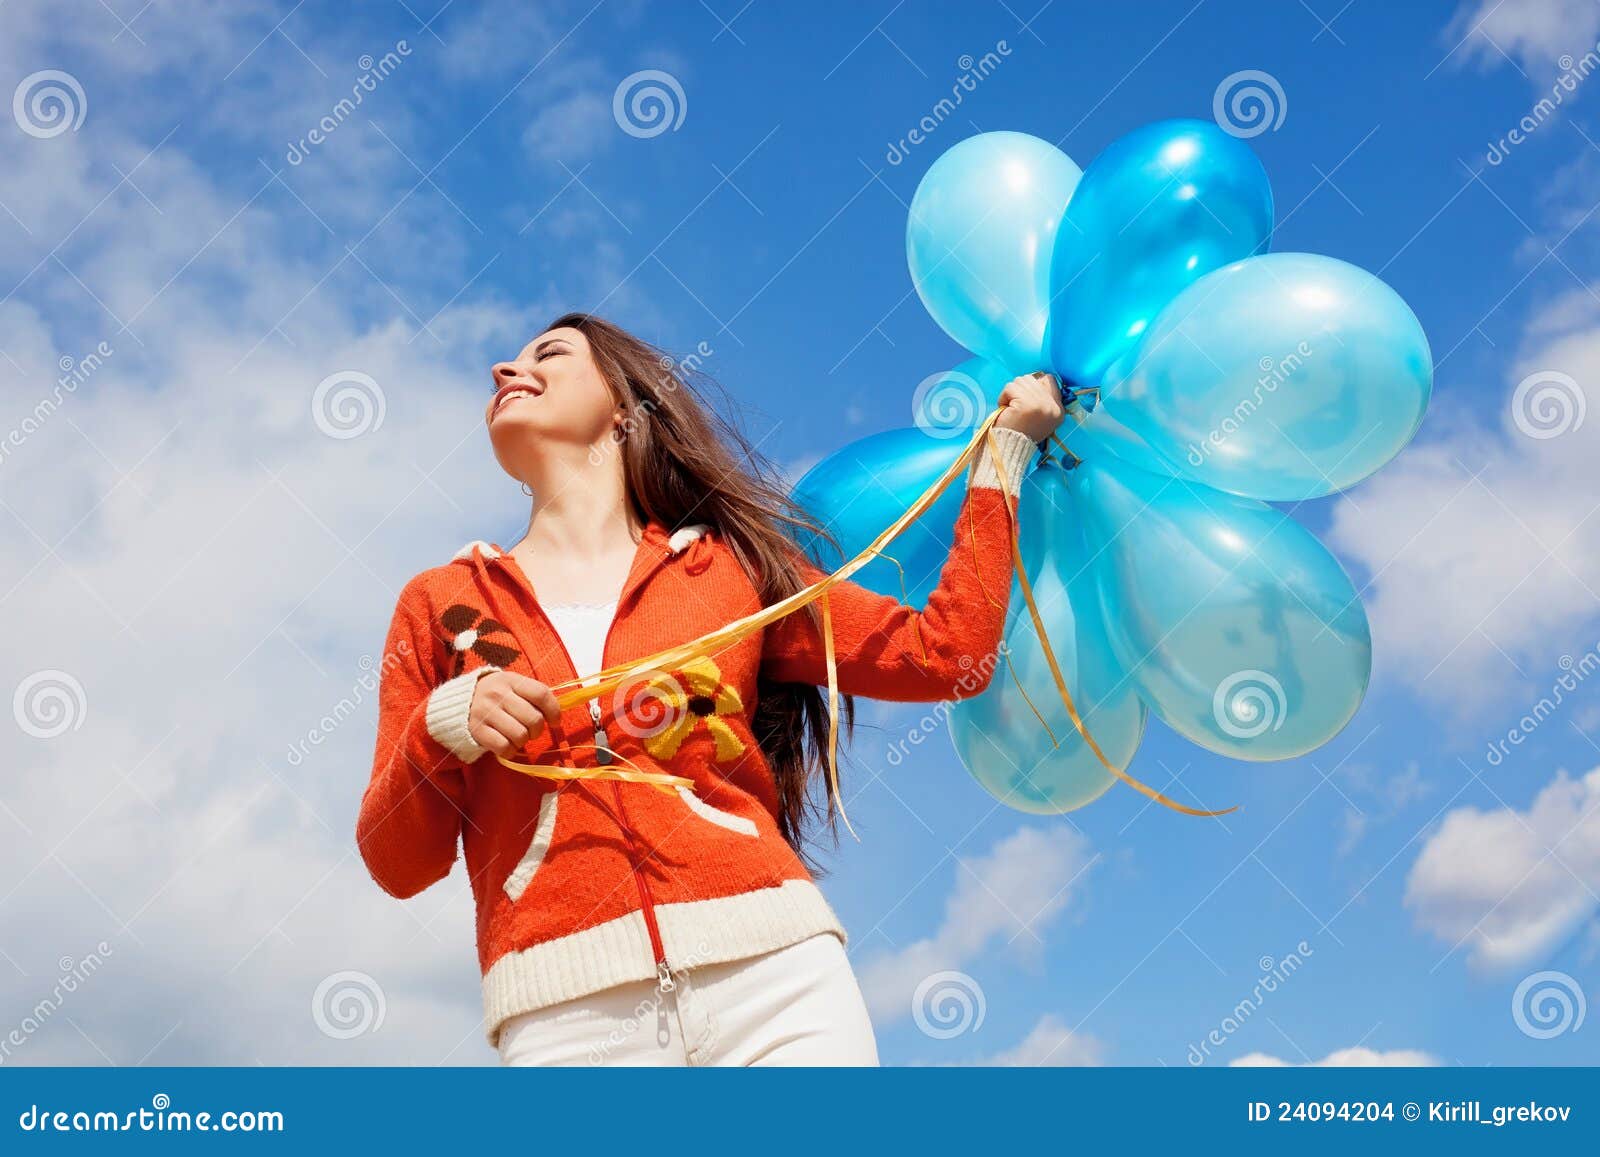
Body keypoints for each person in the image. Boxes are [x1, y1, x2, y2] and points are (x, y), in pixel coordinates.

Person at [355, 312, 1064, 1065]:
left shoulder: (731, 570)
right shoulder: (441, 603)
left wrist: (1004, 455)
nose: (505, 369)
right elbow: (398, 863)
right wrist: (439, 727)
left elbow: (946, 655)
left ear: (624, 408)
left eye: (549, 353)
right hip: (566, 1017)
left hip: (776, 978)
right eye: (508, 361)